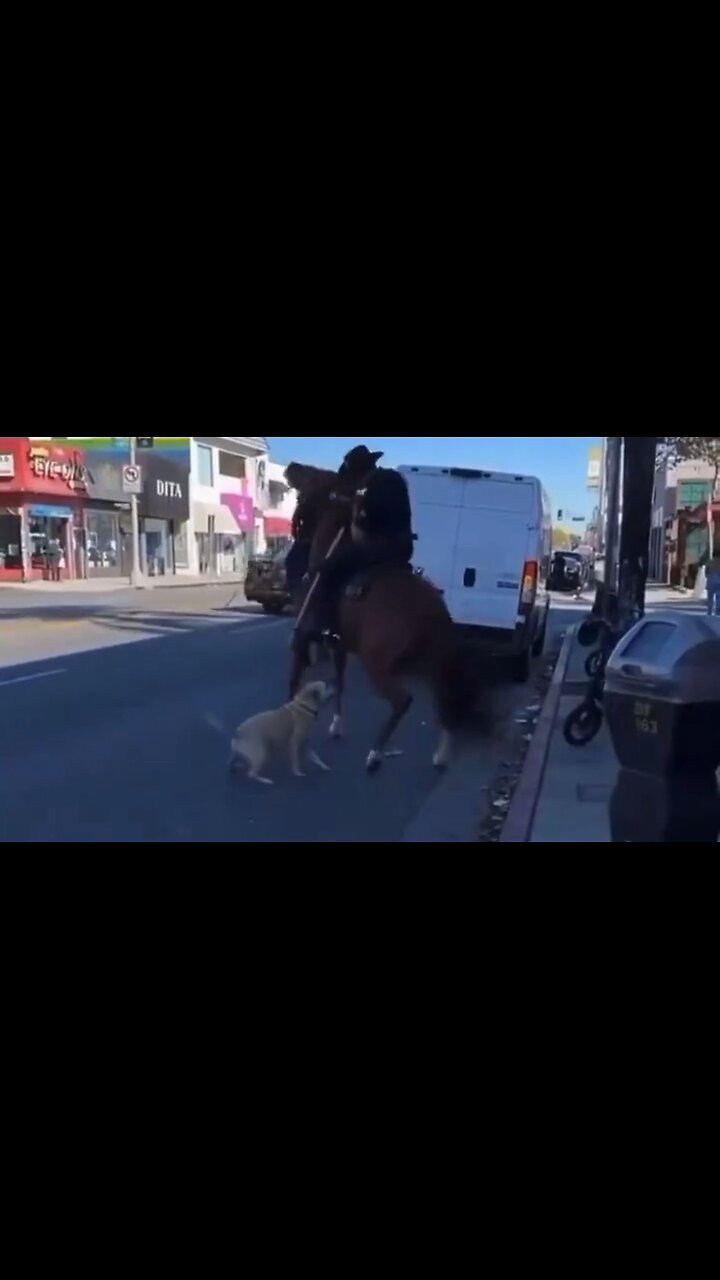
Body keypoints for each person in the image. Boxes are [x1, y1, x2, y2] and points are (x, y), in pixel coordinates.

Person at [312, 445, 414, 637]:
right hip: (404, 549)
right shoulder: (395, 479)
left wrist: (352, 513)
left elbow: (363, 526)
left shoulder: (367, 486)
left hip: (378, 551)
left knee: (328, 571)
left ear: (355, 471)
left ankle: (328, 628)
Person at [707, 553, 720, 617]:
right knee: (718, 597)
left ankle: (709, 611)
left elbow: (706, 572)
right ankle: (718, 611)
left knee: (710, 597)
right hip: (719, 581)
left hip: (711, 580)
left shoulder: (710, 562)